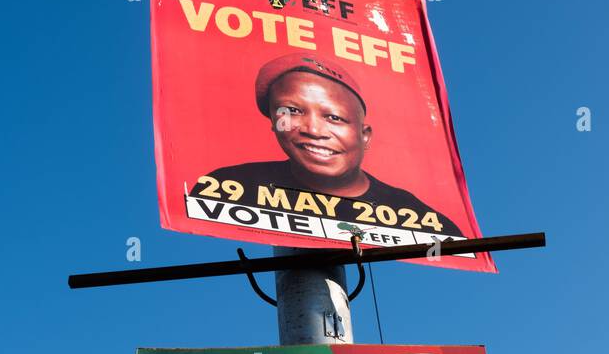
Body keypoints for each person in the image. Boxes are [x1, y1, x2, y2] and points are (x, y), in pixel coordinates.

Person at [188, 53, 464, 238]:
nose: (313, 130)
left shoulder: (427, 223)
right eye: (291, 111)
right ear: (274, 123)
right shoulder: (225, 186)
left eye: (334, 117)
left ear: (364, 135)